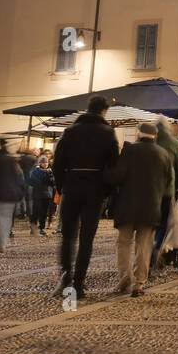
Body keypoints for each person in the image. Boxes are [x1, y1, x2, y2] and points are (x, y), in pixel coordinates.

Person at [53, 95, 120, 298]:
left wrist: (61, 186)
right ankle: (79, 283)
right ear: (103, 111)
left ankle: (66, 275)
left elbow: (58, 163)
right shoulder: (108, 133)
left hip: (72, 185)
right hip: (95, 189)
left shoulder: (70, 131)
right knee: (86, 238)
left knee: (68, 235)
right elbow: (113, 166)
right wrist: (107, 191)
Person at [107, 120, 172, 297]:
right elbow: (168, 181)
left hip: (127, 206)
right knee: (144, 246)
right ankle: (139, 283)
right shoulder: (163, 154)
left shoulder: (129, 151)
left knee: (124, 244)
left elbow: (117, 176)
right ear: (155, 136)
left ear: (138, 133)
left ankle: (124, 278)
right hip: (151, 207)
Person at [151, 116, 178, 271]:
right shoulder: (174, 143)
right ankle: (158, 247)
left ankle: (150, 248)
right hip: (167, 191)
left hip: (150, 191)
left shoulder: (152, 140)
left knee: (151, 223)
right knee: (166, 223)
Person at [0, 140, 25, 254]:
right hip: (9, 194)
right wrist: (20, 192)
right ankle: (2, 245)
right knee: (5, 220)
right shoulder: (12, 161)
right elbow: (18, 177)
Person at [28, 154, 54, 236]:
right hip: (37, 194)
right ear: (40, 163)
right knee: (36, 211)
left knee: (44, 213)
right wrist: (41, 180)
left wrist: (49, 175)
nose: (45, 164)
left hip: (47, 195)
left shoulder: (50, 172)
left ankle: (42, 228)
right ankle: (33, 227)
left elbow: (53, 182)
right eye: (43, 162)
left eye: (46, 162)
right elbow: (31, 182)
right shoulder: (35, 171)